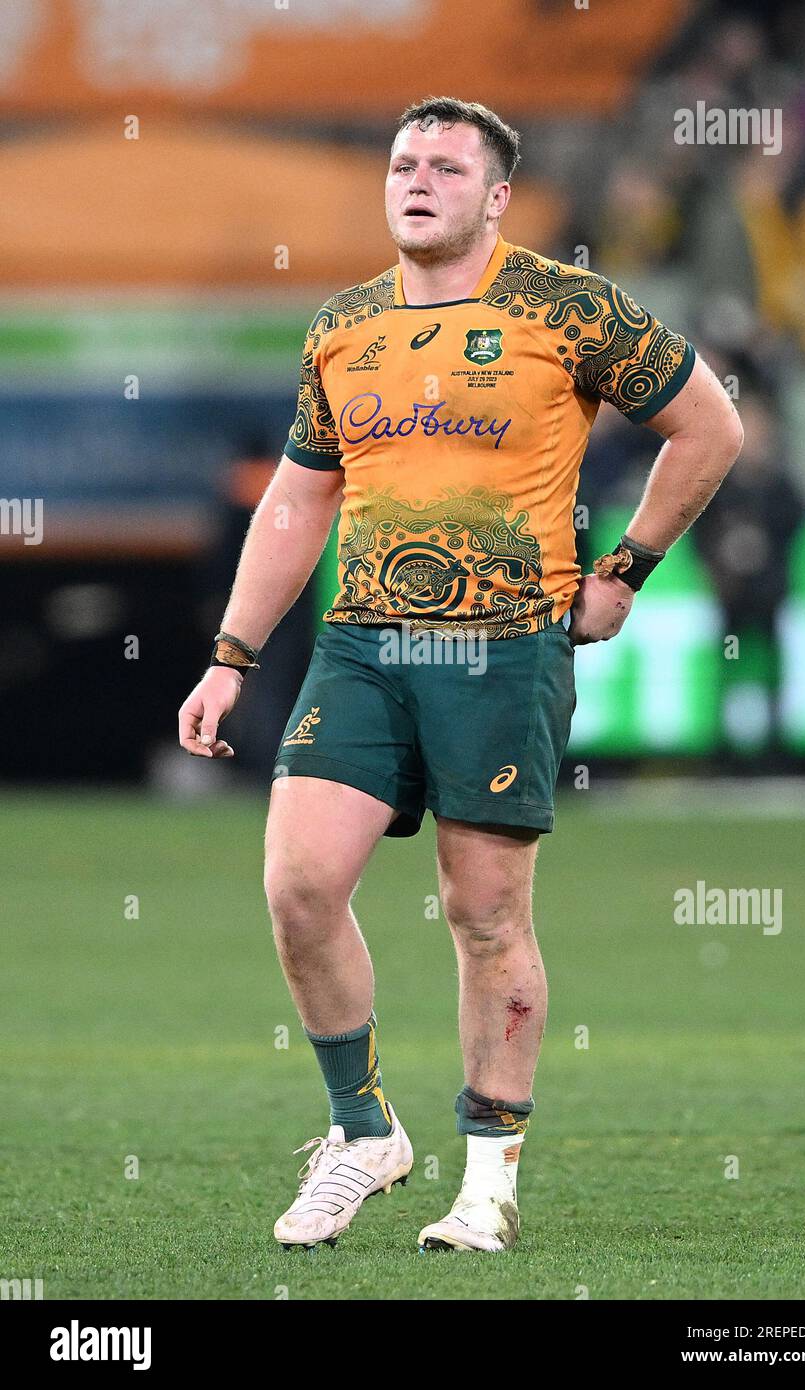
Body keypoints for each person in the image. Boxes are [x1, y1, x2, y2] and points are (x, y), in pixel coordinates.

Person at [178, 97, 743, 1254]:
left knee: (483, 913)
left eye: (445, 165)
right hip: (364, 643)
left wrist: (625, 570)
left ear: (494, 197)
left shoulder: (566, 307)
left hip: (503, 646)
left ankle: (485, 1179)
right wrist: (230, 655)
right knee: (297, 883)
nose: (416, 179)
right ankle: (361, 1131)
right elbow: (296, 501)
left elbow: (710, 427)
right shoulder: (341, 326)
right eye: (401, 162)